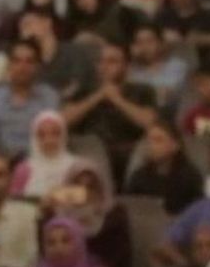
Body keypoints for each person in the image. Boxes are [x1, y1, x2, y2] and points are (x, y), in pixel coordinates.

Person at [63, 40, 158, 183]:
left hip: (129, 155)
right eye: (100, 61)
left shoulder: (142, 91)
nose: (104, 66)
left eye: (112, 61)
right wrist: (97, 96)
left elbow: (150, 123)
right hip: (88, 154)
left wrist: (117, 99)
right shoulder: (84, 91)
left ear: (127, 66)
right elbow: (63, 121)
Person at [46, 160, 133, 267]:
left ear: (101, 187)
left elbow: (121, 262)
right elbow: (46, 255)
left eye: (91, 186)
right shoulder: (56, 215)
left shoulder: (115, 215)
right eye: (77, 185)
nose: (85, 192)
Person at [0, 40, 61, 157]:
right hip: (5, 165)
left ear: (38, 66)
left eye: (29, 61)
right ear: (9, 65)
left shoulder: (49, 96)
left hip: (43, 160)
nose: (23, 67)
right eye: (17, 61)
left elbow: (56, 138)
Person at [126, 121, 203, 215]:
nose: (151, 146)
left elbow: (199, 214)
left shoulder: (190, 178)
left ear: (175, 145)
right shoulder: (139, 177)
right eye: (149, 140)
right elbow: (130, 208)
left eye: (158, 140)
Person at [17, 8, 95, 100]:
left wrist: (55, 100)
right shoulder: (30, 64)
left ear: (47, 23)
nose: (26, 31)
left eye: (28, 24)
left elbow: (77, 84)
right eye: (22, 28)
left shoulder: (72, 50)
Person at [10, 111, 80, 199]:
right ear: (34, 138)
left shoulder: (78, 167)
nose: (49, 140)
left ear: (64, 135)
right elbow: (14, 205)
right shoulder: (23, 169)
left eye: (55, 134)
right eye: (42, 135)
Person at [127, 23, 190, 106]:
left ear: (161, 43)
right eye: (139, 42)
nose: (144, 47)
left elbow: (164, 99)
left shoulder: (177, 66)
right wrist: (130, 59)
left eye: (149, 41)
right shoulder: (132, 68)